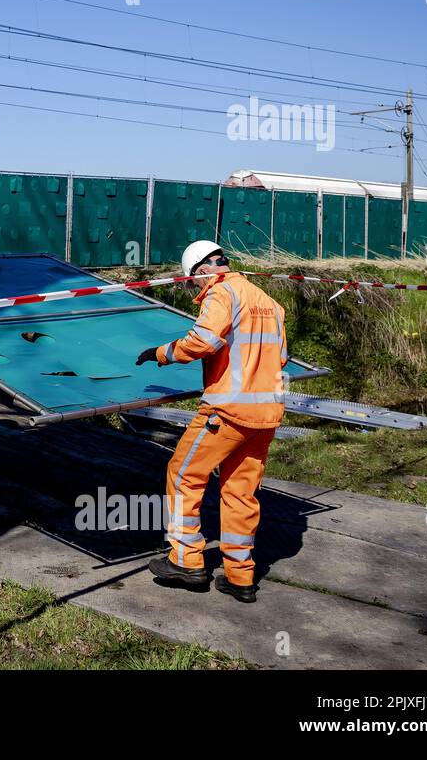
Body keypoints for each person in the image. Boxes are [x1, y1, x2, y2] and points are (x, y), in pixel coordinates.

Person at [135, 240, 289, 603]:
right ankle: (240, 576)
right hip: (264, 415)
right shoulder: (269, 302)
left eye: (193, 281)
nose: (195, 288)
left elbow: (202, 341)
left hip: (227, 412)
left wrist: (162, 353)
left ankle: (186, 560)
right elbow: (280, 357)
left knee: (184, 474)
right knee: (240, 491)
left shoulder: (222, 293)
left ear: (203, 270)